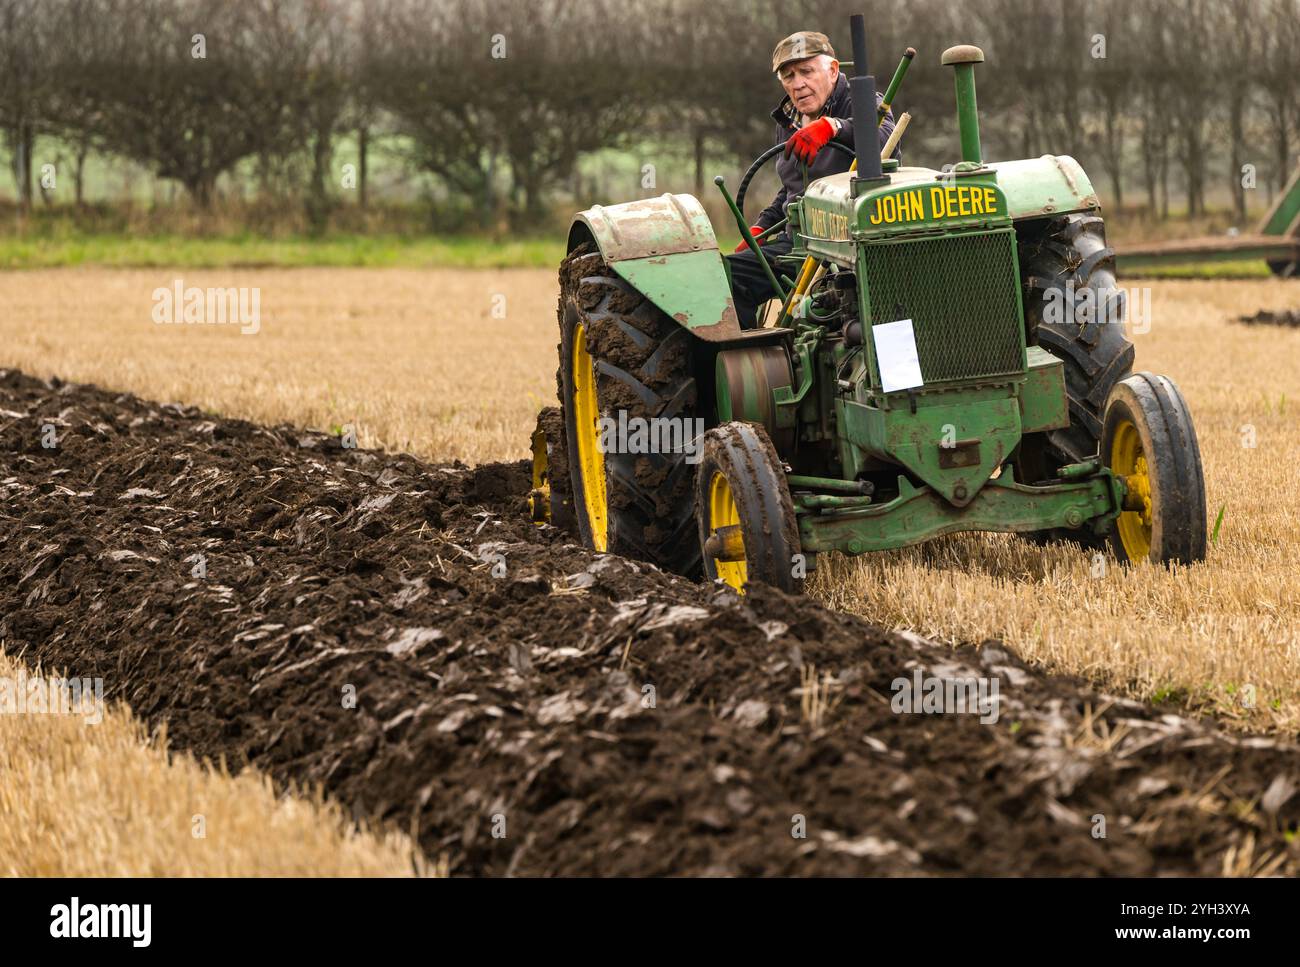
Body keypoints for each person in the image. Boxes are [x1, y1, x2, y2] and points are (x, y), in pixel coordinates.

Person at [729, 30, 899, 328]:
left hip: (848, 242)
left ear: (833, 70)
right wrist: (762, 225)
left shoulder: (864, 103)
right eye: (788, 76)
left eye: (806, 71)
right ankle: (755, 364)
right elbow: (792, 189)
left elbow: (884, 140)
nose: (798, 84)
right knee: (725, 276)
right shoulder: (789, 120)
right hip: (797, 243)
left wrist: (832, 127)